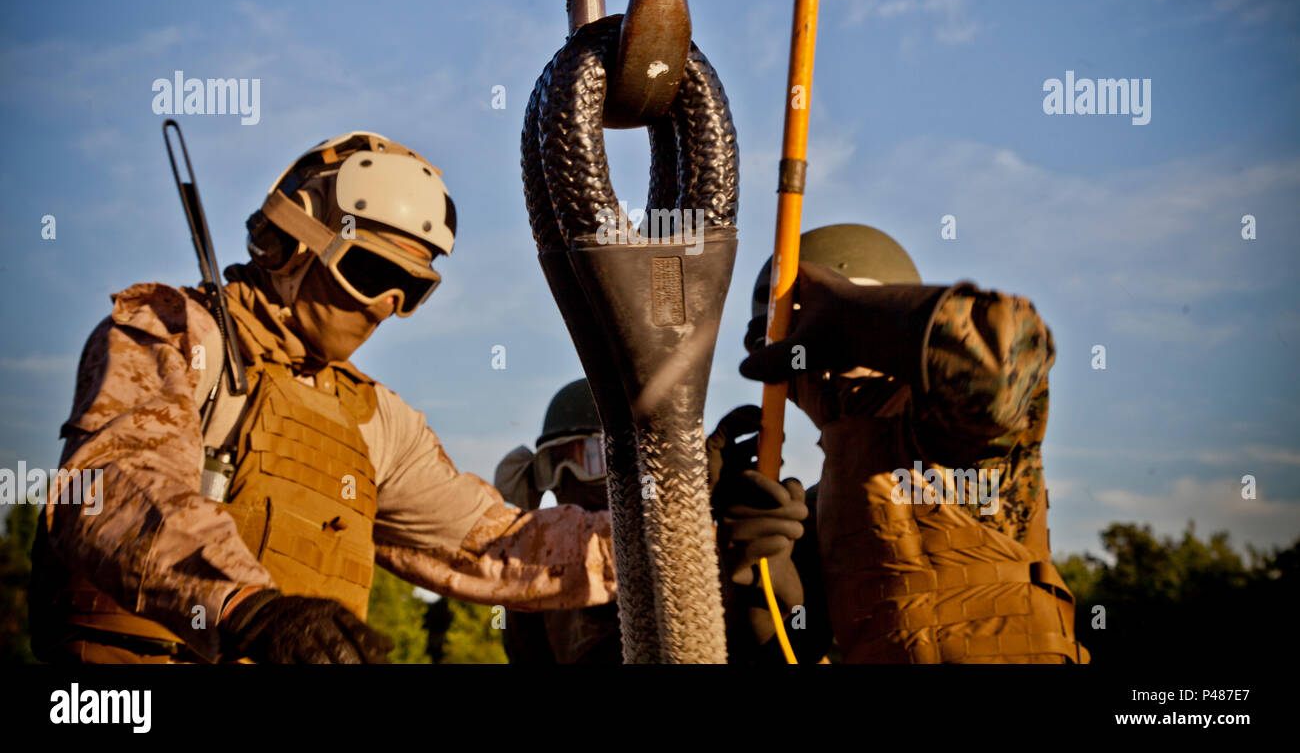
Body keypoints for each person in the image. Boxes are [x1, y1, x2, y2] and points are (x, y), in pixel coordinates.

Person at [29, 131, 617, 664]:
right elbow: (113, 486)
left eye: (411, 290)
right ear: (290, 244)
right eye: (368, 271)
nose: (385, 304)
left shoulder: (376, 422)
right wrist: (244, 606)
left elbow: (497, 546)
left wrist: (665, 541)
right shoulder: (176, 335)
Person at [734, 223, 1089, 664]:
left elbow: (1000, 361)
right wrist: (746, 586)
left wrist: (851, 317)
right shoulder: (811, 516)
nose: (824, 369)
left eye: (821, 335)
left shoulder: (958, 442)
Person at [493, 379, 622, 665]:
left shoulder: (692, 558)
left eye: (590, 459)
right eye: (554, 464)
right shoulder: (540, 578)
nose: (568, 477)